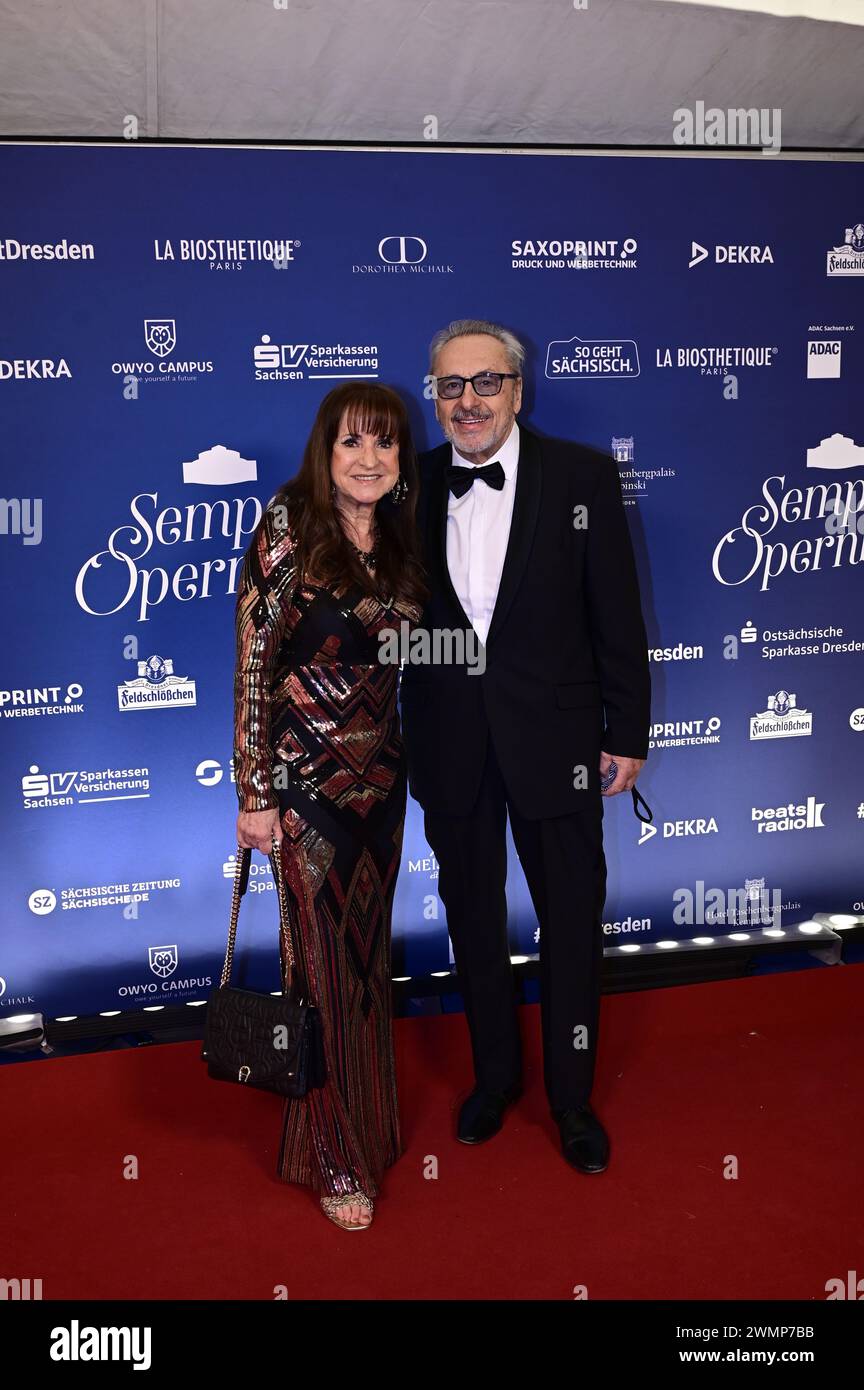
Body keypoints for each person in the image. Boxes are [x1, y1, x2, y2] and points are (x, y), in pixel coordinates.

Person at [399, 319, 651, 1174]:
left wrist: (628, 732)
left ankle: (572, 1100)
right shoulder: (408, 485)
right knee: (473, 922)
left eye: (485, 383)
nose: (466, 402)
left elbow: (616, 616)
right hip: (451, 745)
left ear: (518, 387)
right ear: (432, 396)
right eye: (449, 386)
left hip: (561, 743)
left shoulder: (582, 474)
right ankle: (494, 1079)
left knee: (572, 925)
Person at [232, 382, 425, 1229]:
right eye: (353, 443)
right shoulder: (287, 527)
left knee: (366, 966)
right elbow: (251, 667)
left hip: (384, 790)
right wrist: (254, 794)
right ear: (326, 450)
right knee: (315, 973)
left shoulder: (403, 534)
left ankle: (370, 1126)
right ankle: (334, 1157)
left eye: (385, 444)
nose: (370, 459)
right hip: (304, 794)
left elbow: (418, 651)